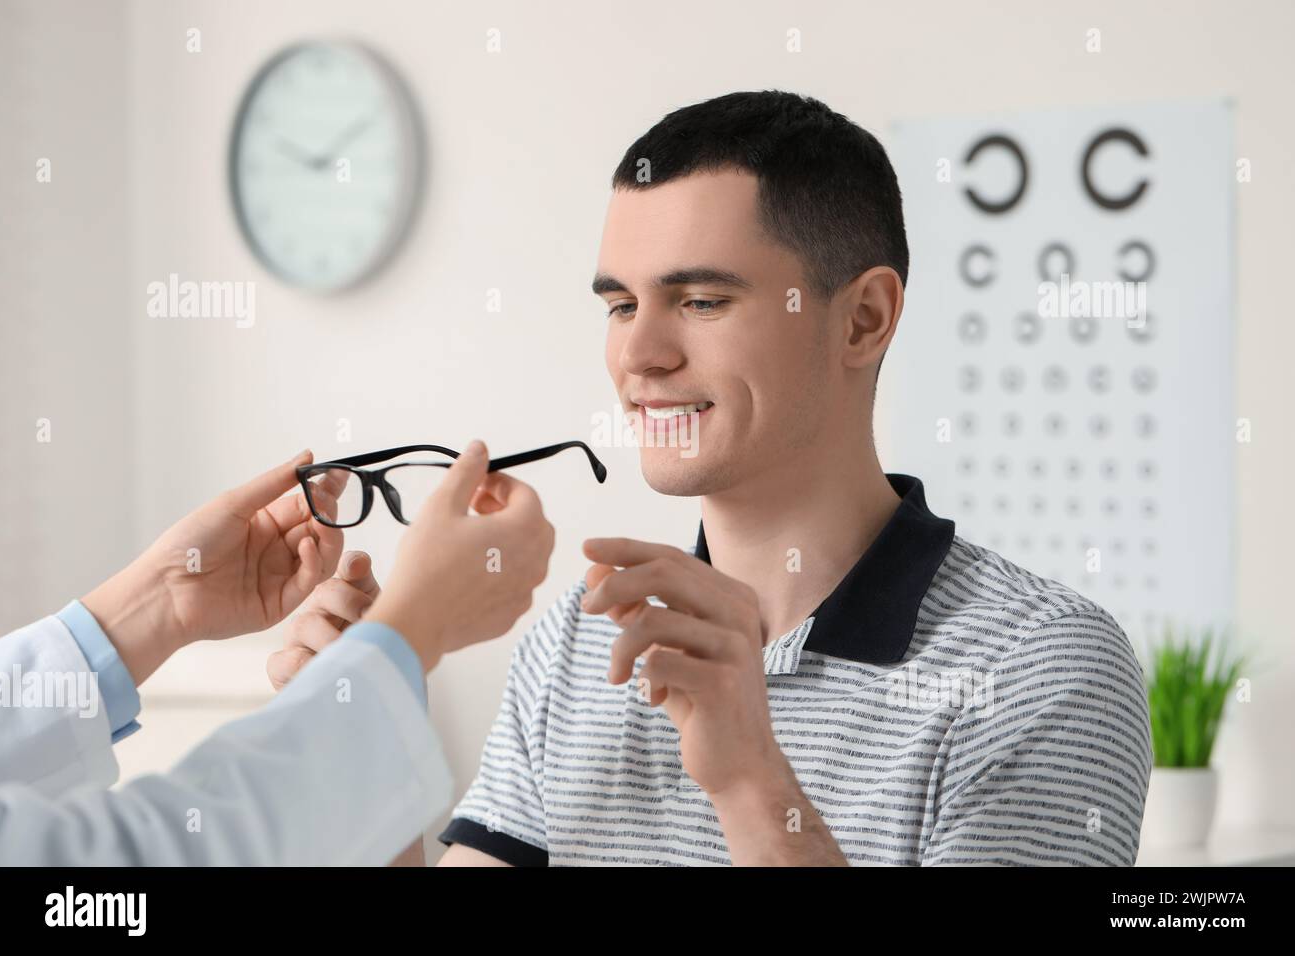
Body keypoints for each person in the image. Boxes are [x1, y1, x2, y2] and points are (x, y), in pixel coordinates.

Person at [274, 91, 1152, 867]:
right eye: (621, 305)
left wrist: (749, 783)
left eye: (701, 301)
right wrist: (360, 747)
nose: (639, 356)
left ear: (864, 319)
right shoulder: (579, 647)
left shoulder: (1044, 667)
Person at [0, 440, 554, 865]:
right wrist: (401, 645)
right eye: (621, 308)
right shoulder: (558, 669)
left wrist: (167, 596)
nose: (633, 353)